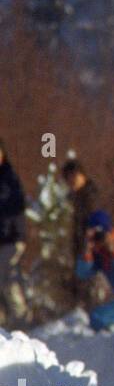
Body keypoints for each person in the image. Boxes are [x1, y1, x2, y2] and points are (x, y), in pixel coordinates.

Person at [61, 159, 99, 304]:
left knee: (88, 284)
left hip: (90, 248)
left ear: (83, 175)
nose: (72, 181)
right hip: (78, 246)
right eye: (68, 177)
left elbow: (92, 224)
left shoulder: (90, 196)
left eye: (75, 176)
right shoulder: (73, 198)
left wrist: (88, 246)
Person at [0, 138, 29, 325]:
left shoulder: (8, 177)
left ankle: (22, 318)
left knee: (8, 278)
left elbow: (18, 205)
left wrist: (18, 234)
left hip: (11, 237)